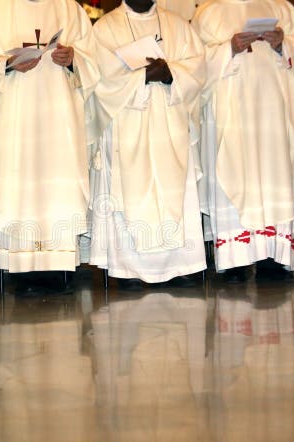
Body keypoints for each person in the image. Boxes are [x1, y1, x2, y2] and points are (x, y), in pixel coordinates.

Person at [0, 0, 100, 294]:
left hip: (59, 119)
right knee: (17, 182)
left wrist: (74, 59)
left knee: (58, 185)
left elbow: (94, 62)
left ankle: (58, 266)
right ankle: (18, 267)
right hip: (12, 119)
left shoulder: (68, 8)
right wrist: (6, 64)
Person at [193, 0, 294, 283]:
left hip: (274, 114)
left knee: (274, 174)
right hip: (232, 115)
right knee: (235, 171)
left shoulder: (280, 7)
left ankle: (273, 258)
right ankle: (235, 261)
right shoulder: (209, 12)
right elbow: (194, 64)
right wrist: (228, 49)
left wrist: (283, 44)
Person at [89, 0, 207, 287]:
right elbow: (99, 79)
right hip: (127, 124)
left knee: (174, 189)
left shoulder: (178, 26)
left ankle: (181, 266)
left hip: (170, 122)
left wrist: (170, 74)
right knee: (129, 189)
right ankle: (129, 270)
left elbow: (197, 69)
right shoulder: (105, 29)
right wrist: (142, 76)